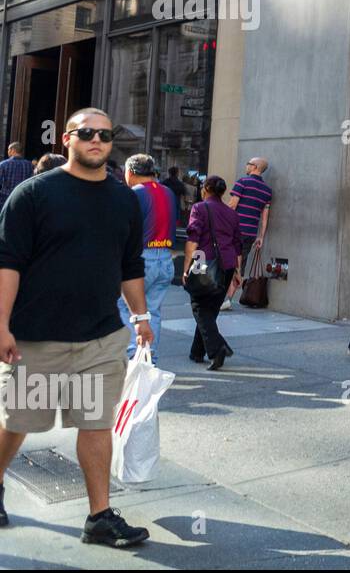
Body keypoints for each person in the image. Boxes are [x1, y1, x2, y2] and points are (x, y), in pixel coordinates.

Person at [0, 108, 154, 545]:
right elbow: (8, 263)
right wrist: (2, 325)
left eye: (104, 135)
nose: (96, 140)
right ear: (67, 139)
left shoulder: (124, 199)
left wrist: (141, 317)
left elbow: (130, 265)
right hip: (38, 338)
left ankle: (99, 516)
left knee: (96, 423)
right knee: (18, 422)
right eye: (86, 133)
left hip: (99, 339)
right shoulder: (33, 194)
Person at [117, 155, 178, 363]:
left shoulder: (134, 193)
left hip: (141, 258)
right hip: (165, 258)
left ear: (130, 172)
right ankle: (149, 358)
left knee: (127, 307)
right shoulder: (168, 192)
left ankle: (133, 356)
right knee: (153, 311)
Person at [184, 176, 241, 371]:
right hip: (228, 264)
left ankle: (217, 349)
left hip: (202, 261)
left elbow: (193, 239)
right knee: (211, 309)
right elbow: (237, 244)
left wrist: (186, 268)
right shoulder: (231, 213)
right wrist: (238, 271)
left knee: (199, 306)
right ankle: (197, 351)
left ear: (206, 189)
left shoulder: (199, 208)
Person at [223, 157, 273, 310]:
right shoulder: (267, 191)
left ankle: (218, 297)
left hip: (234, 230)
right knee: (240, 265)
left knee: (223, 261)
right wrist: (261, 237)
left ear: (255, 167)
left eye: (248, 164)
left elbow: (232, 205)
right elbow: (265, 218)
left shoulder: (242, 182)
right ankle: (228, 300)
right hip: (250, 234)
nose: (246, 166)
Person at [0, 142, 33, 207]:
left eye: (8, 149)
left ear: (13, 150)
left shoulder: (3, 164)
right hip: (23, 197)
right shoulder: (30, 165)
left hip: (5, 198)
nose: (8, 152)